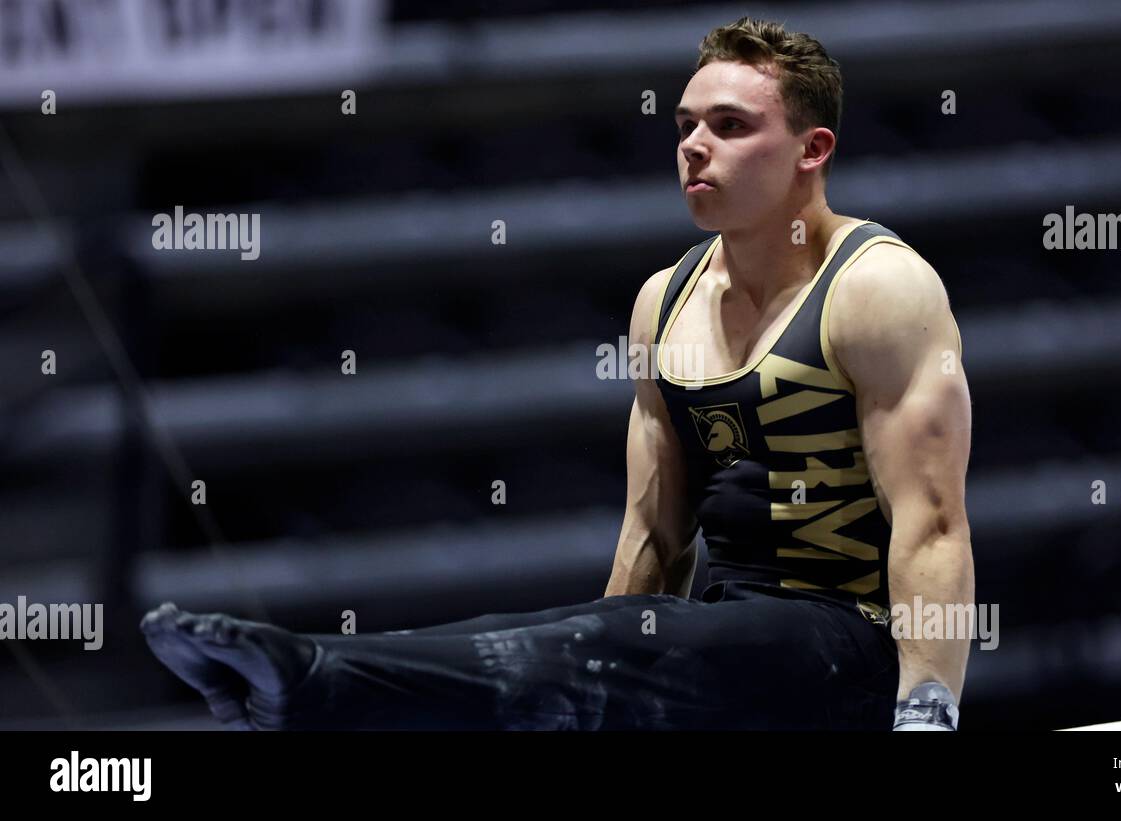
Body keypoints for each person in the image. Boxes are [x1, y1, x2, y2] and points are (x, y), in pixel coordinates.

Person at [141, 16, 973, 731]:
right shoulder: (665, 302)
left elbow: (932, 523)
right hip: (728, 643)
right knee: (570, 641)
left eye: (728, 125)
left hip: (854, 645)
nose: (692, 146)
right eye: (684, 124)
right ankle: (320, 680)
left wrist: (925, 706)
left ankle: (318, 679)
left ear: (811, 149)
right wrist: (602, 680)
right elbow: (651, 535)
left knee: (612, 647)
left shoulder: (877, 289)